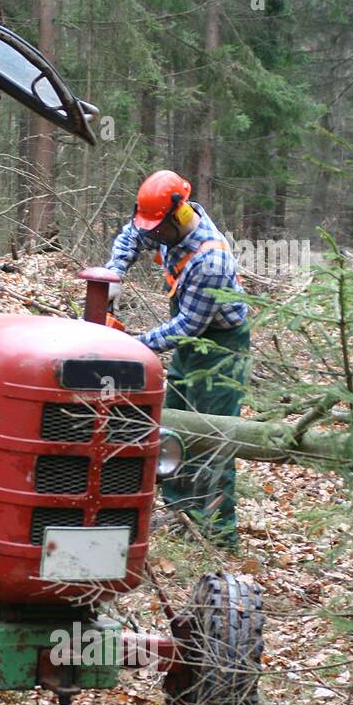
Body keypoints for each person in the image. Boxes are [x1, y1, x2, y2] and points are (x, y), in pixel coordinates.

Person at [103, 170, 250, 550]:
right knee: (176, 428)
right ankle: (181, 512)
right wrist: (114, 273)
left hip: (220, 348)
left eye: (156, 229)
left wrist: (135, 346)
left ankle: (219, 534)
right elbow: (130, 235)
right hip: (192, 344)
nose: (150, 235)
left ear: (178, 216)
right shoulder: (160, 225)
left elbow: (188, 326)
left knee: (214, 436)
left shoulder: (211, 258)